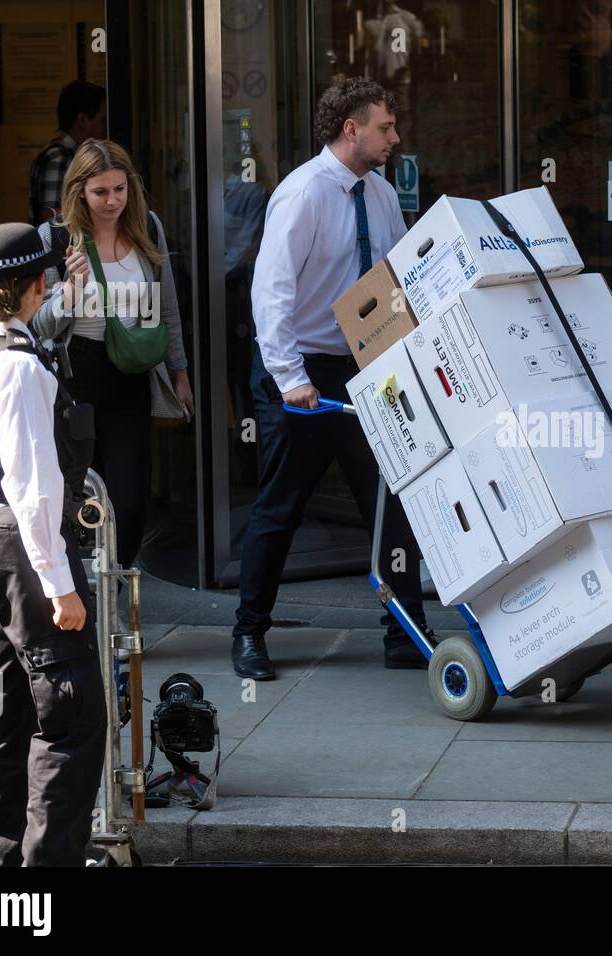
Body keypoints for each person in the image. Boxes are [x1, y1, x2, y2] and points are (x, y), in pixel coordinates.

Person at [232, 76, 430, 679]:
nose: (394, 138)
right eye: (384, 128)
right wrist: (290, 377)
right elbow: (272, 290)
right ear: (352, 130)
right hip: (302, 369)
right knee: (281, 505)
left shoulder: (379, 193)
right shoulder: (304, 193)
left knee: (391, 500)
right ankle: (249, 633)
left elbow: (392, 278)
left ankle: (405, 632)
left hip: (366, 367)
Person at [0, 223, 105, 866]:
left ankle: (3, 873)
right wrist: (59, 583)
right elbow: (34, 484)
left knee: (3, 714)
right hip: (23, 545)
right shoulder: (16, 364)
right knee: (70, 720)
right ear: (35, 285)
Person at [30, 139, 193, 582]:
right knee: (76, 494)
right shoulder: (56, 238)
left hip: (131, 374)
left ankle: (113, 590)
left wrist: (179, 373)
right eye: (101, 192)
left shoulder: (147, 227)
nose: (112, 201)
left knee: (130, 498)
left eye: (119, 189)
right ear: (79, 190)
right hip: (75, 375)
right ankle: (79, 595)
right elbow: (41, 326)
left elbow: (168, 309)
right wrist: (71, 290)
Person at [28, 81, 107, 226]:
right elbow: (50, 218)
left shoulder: (74, 156)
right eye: (103, 120)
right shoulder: (59, 159)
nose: (106, 127)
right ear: (82, 120)